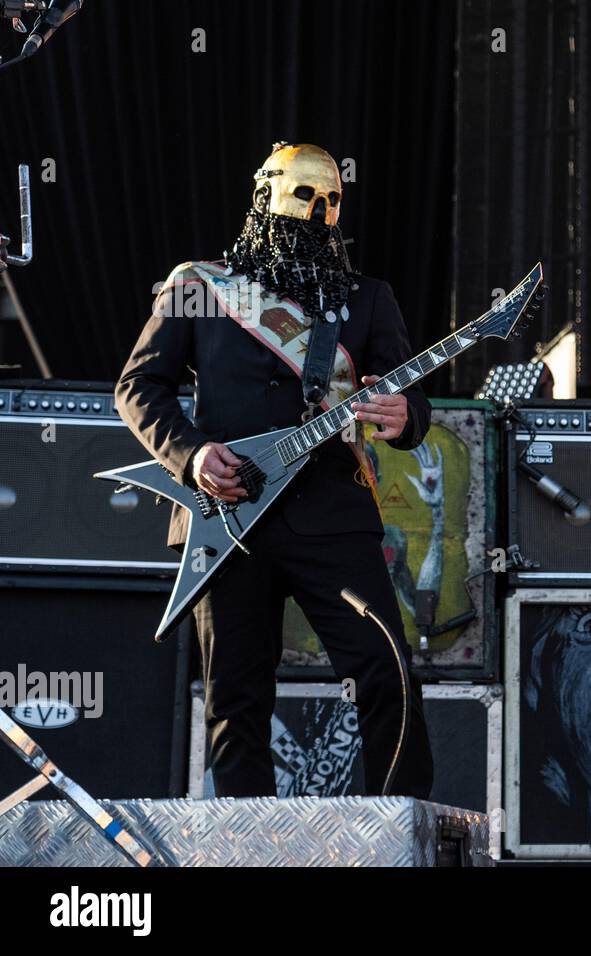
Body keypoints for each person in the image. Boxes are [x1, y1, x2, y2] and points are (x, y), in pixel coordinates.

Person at [115, 143, 435, 798]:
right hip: (227, 517)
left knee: (387, 676)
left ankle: (404, 836)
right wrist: (194, 454)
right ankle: (243, 848)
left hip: (332, 514)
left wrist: (408, 415)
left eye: (330, 202)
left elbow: (409, 397)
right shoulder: (198, 287)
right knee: (235, 700)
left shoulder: (369, 299)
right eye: (303, 197)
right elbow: (139, 386)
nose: (316, 214)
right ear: (265, 199)